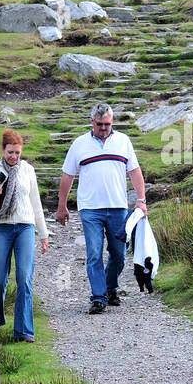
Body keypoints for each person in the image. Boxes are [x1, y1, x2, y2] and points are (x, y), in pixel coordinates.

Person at [57, 103, 147, 314]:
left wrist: (141, 200)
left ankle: (110, 287)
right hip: (90, 209)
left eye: (107, 124)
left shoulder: (123, 141)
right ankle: (98, 297)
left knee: (119, 253)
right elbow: (67, 176)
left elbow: (134, 171)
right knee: (94, 253)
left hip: (117, 207)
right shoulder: (79, 144)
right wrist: (62, 205)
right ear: (92, 122)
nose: (104, 128)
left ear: (112, 122)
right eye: (100, 124)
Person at [0, 129, 48, 342]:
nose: (14, 157)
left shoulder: (27, 170)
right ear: (3, 150)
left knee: (24, 278)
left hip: (25, 227)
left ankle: (24, 331)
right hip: (1, 228)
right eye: (10, 152)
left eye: (17, 153)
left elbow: (36, 203)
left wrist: (43, 234)